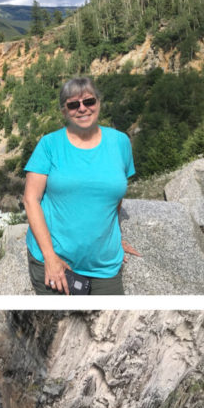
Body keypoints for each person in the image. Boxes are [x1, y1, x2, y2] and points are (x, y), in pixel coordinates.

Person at [23, 77, 135, 295]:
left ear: (99, 103)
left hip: (105, 265)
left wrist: (116, 237)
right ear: (64, 111)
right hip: (58, 261)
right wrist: (50, 257)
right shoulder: (49, 144)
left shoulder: (120, 142)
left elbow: (114, 196)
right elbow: (31, 199)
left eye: (89, 102)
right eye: (73, 104)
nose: (82, 109)